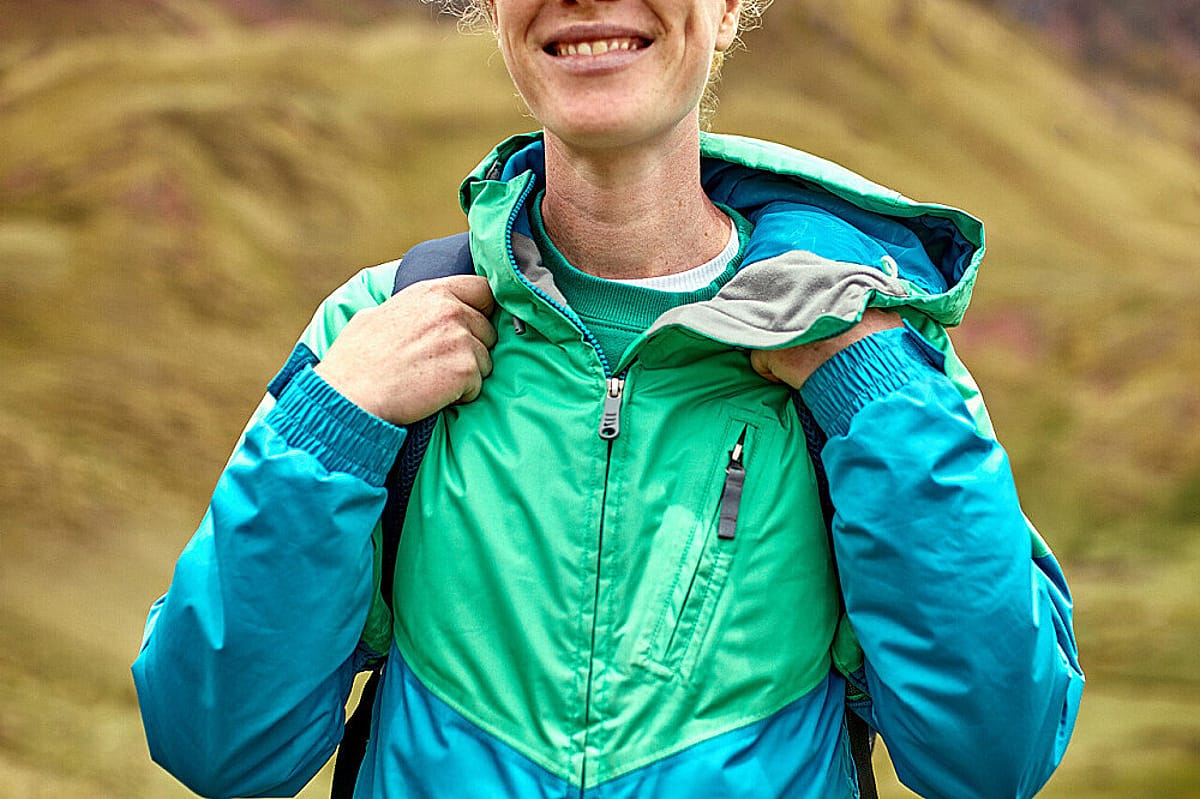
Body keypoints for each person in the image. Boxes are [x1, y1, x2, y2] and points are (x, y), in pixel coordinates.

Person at [132, 1, 1084, 797]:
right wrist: (333, 423)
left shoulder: (868, 358)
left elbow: (991, 755)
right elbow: (219, 745)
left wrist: (877, 394)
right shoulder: (375, 333)